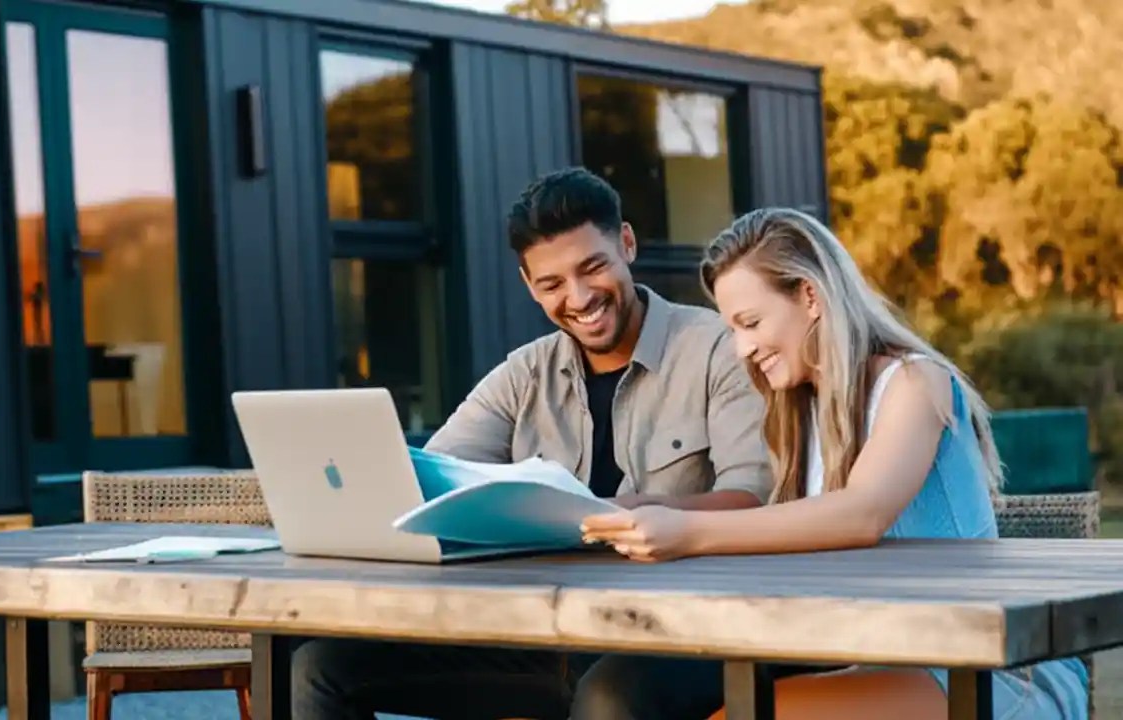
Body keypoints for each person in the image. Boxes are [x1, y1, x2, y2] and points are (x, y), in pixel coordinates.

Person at [290, 167, 779, 720]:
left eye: (593, 267)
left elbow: (750, 498)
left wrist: (637, 511)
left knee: (610, 697)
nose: (579, 297)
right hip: (544, 634)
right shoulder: (525, 375)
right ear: (529, 285)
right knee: (317, 668)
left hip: (677, 630)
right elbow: (429, 479)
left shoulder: (718, 350)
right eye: (551, 284)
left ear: (626, 243)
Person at [581, 207, 1090, 719]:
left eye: (751, 323)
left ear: (809, 295)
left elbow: (861, 513)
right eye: (732, 329)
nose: (742, 348)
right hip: (866, 654)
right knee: (628, 690)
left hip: (976, 667)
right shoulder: (800, 410)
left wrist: (687, 532)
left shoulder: (914, 383)